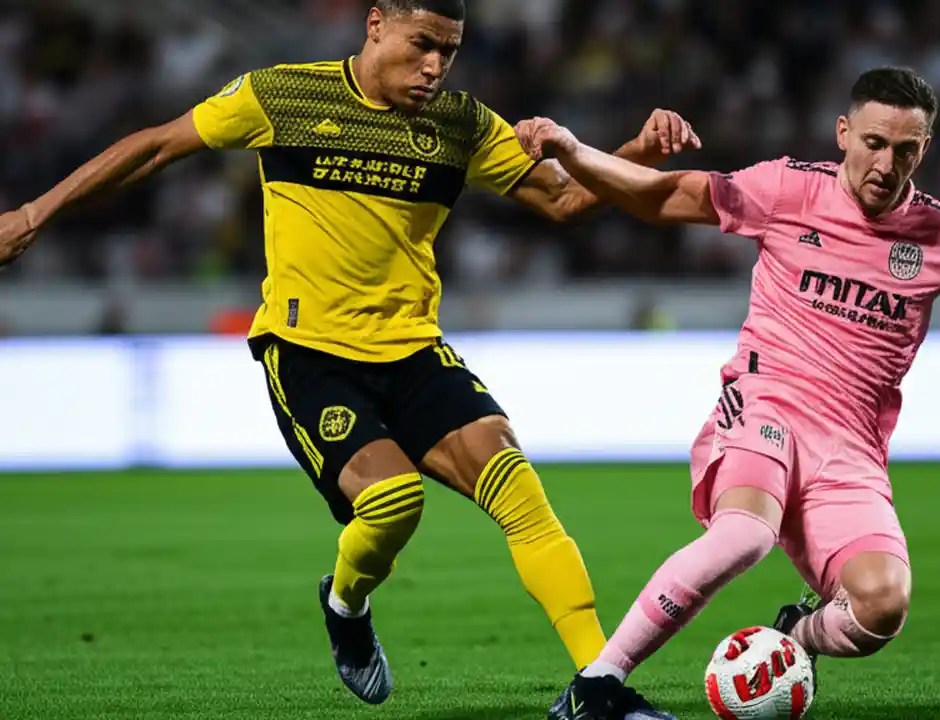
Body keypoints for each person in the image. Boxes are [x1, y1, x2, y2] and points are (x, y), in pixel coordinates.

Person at [0, 0, 700, 711]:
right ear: (375, 25)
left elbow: (565, 201)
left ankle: (598, 687)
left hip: (414, 351)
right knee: (395, 504)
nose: (434, 66)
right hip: (311, 354)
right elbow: (156, 146)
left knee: (521, 494)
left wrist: (638, 150)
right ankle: (346, 606)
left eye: (449, 51)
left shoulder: (461, 123)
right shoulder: (283, 95)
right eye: (422, 44)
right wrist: (32, 214)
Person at [517, 67, 940, 720]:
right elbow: (661, 195)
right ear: (843, 133)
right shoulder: (786, 189)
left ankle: (793, 635)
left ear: (924, 149)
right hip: (765, 403)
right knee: (743, 535)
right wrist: (574, 150)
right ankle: (596, 686)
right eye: (873, 143)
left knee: (881, 605)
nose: (886, 164)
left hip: (850, 450)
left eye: (905, 150)